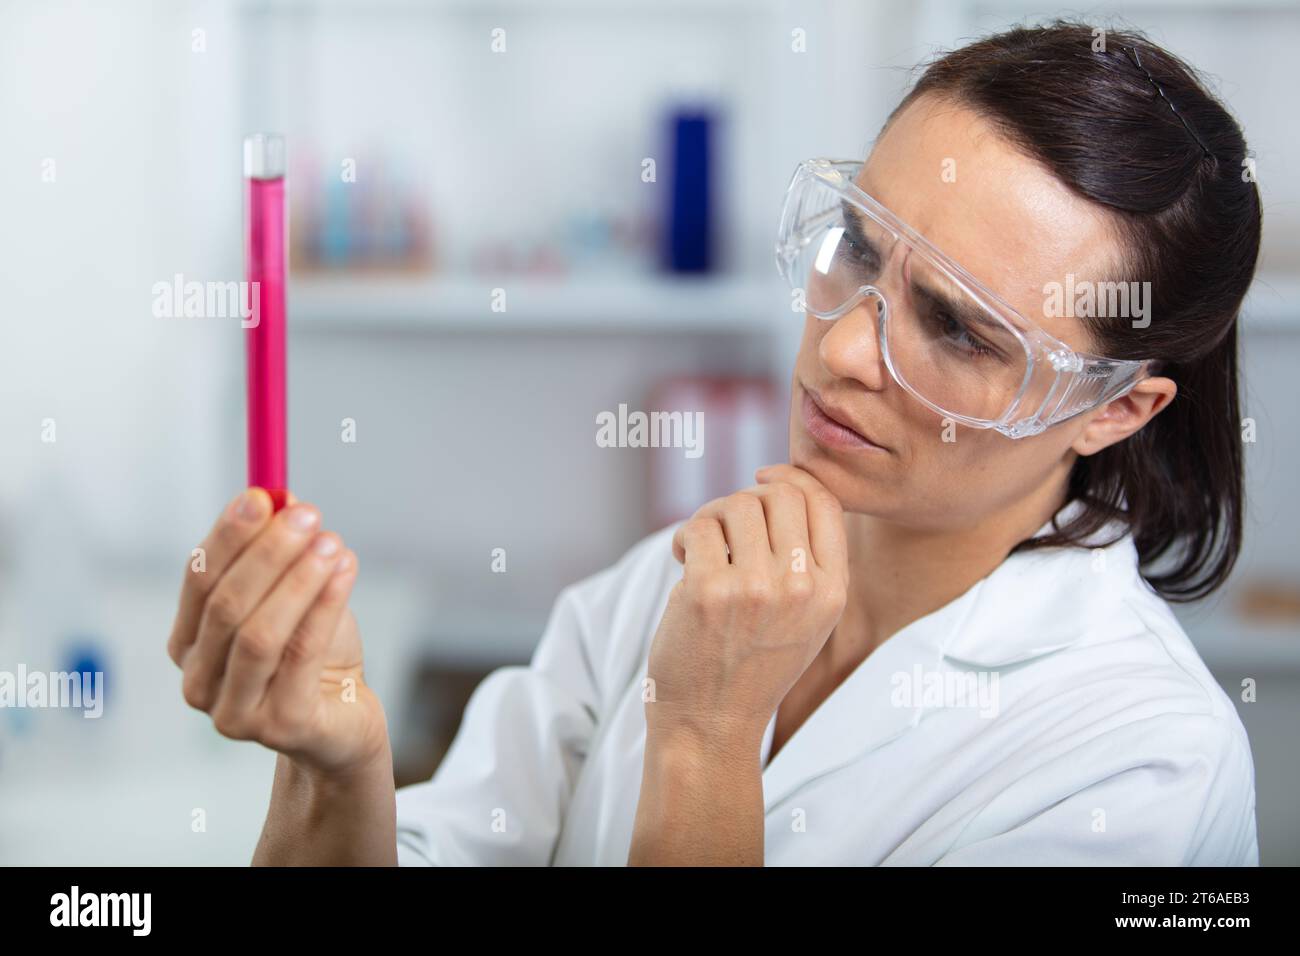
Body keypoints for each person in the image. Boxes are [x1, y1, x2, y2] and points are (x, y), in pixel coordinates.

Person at [167, 21, 1261, 865]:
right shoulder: (678, 578)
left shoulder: (1139, 759)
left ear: (1118, 406)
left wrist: (704, 732)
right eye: (857, 249)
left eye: (959, 328)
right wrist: (336, 761)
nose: (842, 349)